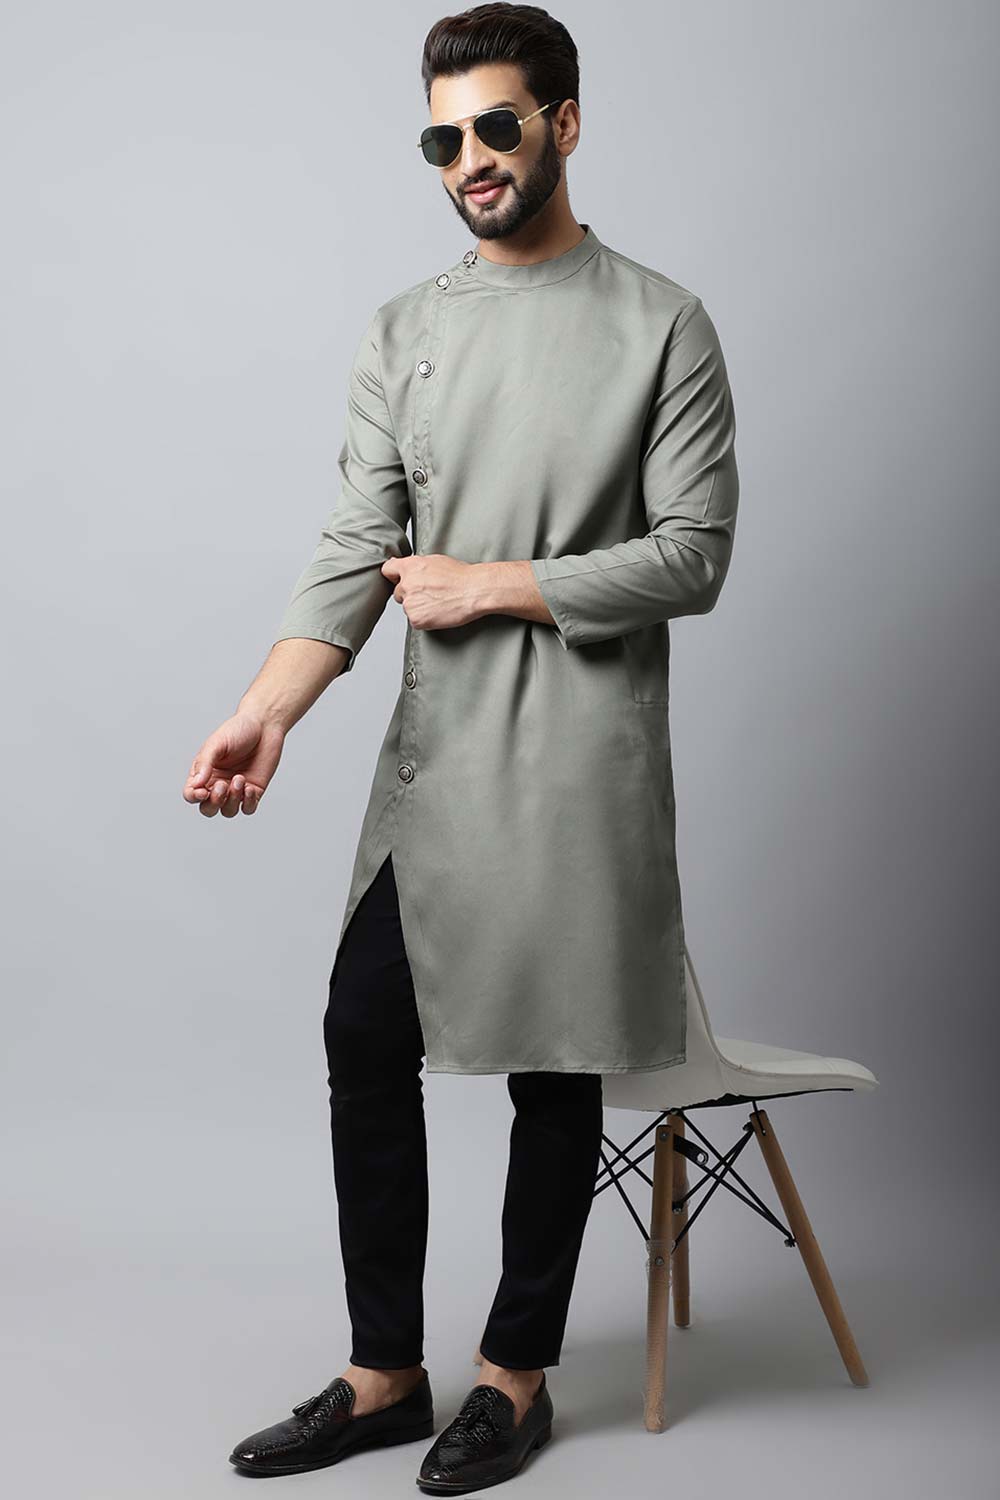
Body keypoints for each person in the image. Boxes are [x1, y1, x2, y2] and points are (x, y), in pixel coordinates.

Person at [182, 3, 739, 1490]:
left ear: (566, 123)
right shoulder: (406, 330)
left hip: (574, 763)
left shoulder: (661, 323)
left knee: (551, 1068)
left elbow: (693, 555)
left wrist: (495, 583)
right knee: (363, 1033)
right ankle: (385, 1376)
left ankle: (515, 1379)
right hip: (435, 761)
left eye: (497, 126)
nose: (471, 159)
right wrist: (265, 710)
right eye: (443, 140)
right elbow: (354, 549)